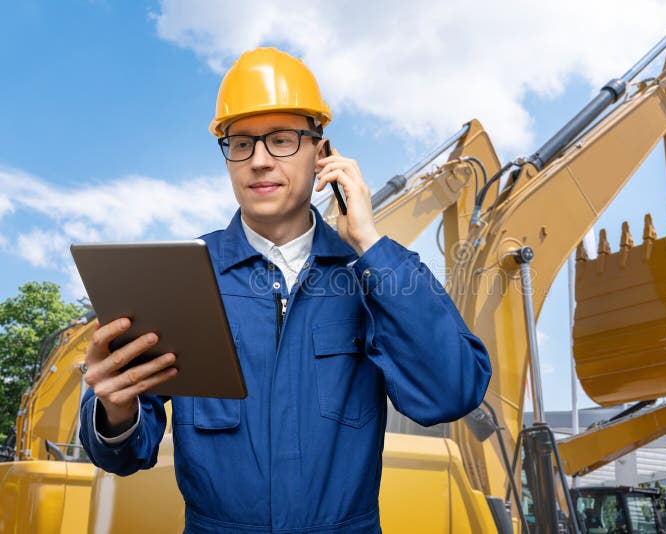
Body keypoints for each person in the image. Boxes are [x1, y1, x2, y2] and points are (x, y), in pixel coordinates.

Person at [78, 47, 492, 534]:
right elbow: (127, 451)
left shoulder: (379, 274)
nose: (258, 161)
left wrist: (369, 245)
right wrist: (115, 409)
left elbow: (454, 391)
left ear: (322, 154)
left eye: (281, 140)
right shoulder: (181, 276)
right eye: (241, 143)